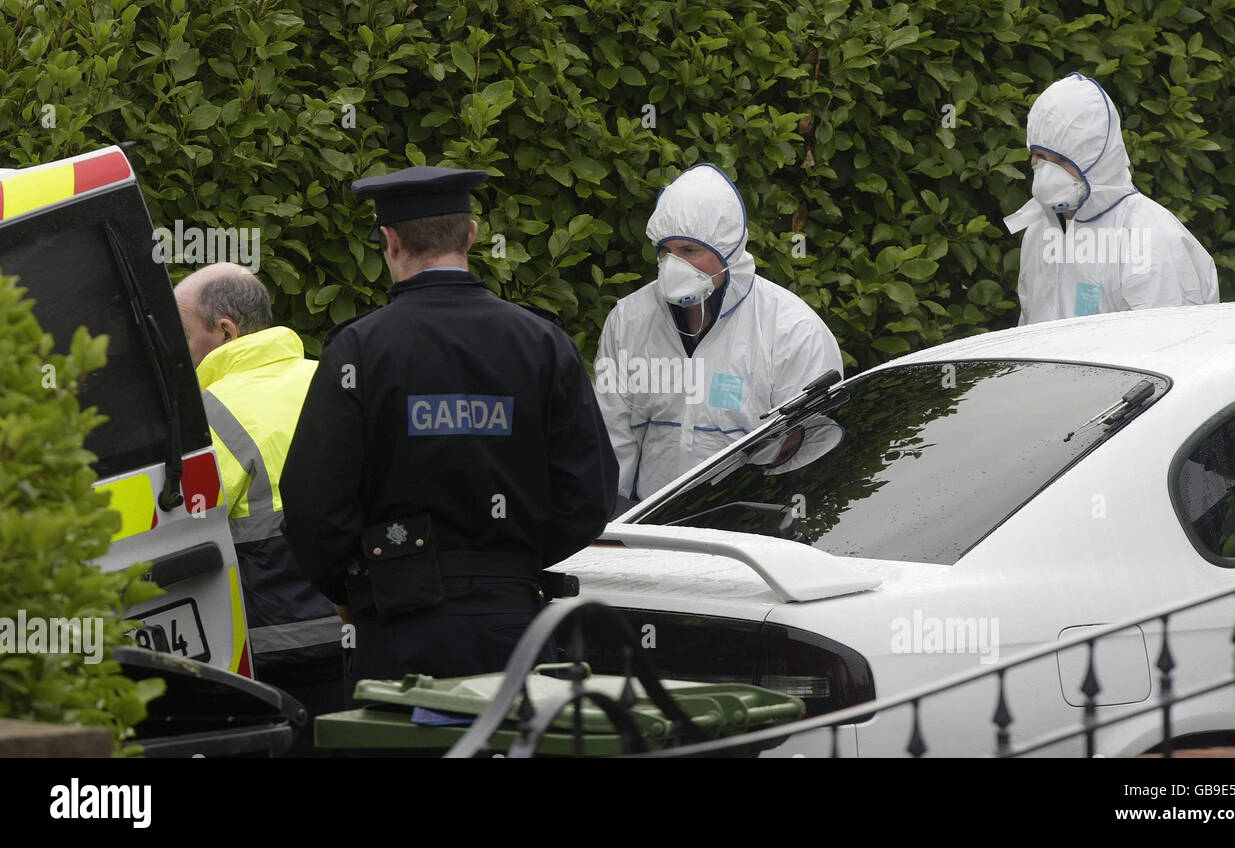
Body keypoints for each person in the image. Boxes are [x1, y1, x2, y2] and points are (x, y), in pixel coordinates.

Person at [280, 166, 617, 686]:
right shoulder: (543, 344)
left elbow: (312, 502)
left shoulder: (359, 350)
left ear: (390, 241)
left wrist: (355, 585)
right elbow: (589, 494)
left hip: (396, 624)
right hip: (514, 620)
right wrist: (511, 564)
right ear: (472, 235)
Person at [595, 163, 843, 506]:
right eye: (665, 250)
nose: (673, 265)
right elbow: (611, 435)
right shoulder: (629, 320)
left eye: (689, 251)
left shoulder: (792, 329)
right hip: (648, 524)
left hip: (751, 523)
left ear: (728, 251)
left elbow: (812, 449)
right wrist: (612, 516)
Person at [173, 263, 344, 751]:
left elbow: (183, 527)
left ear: (226, 330)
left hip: (277, 650)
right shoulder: (333, 380)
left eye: (184, 335)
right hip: (362, 631)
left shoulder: (208, 413)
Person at [1004, 72, 1219, 325]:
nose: (1048, 172)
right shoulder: (1040, 230)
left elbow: (1167, 341)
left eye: (1062, 160)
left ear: (1099, 160)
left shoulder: (1149, 240)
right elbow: (1029, 326)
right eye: (1040, 156)